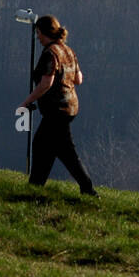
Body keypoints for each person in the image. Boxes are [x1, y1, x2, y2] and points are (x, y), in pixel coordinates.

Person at [19, 14, 96, 196]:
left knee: (55, 148)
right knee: (52, 147)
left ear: (45, 32)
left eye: (38, 33)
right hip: (70, 107)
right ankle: (37, 186)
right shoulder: (68, 51)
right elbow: (78, 79)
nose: (37, 37)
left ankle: (87, 188)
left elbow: (46, 83)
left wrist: (26, 102)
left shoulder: (50, 53)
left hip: (56, 109)